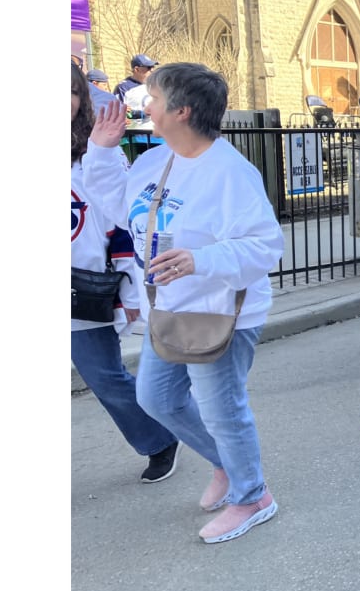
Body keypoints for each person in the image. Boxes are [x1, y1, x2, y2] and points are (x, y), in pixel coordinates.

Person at [82, 63, 286, 545]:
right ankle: (226, 464)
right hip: (168, 310)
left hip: (221, 314)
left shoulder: (232, 171)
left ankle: (253, 495)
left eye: (152, 96)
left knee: (223, 408)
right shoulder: (158, 161)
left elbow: (265, 245)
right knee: (156, 398)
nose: (143, 103)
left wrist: (201, 259)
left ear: (182, 110)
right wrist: (102, 149)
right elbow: (118, 208)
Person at [71, 62, 181, 484]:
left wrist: (128, 292)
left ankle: (158, 437)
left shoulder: (97, 151)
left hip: (82, 288)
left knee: (103, 375)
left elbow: (122, 220)